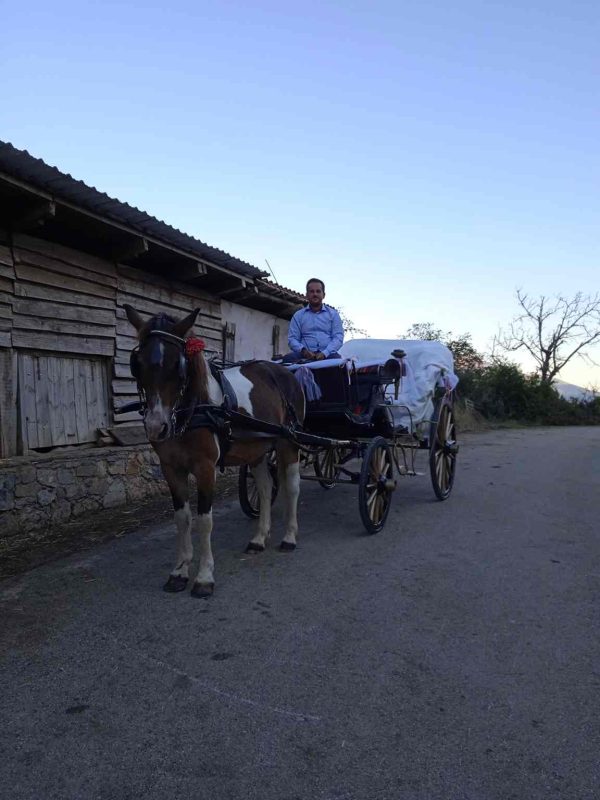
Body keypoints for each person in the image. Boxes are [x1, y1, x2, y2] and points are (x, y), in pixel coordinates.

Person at [282, 278, 344, 363]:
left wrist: (325, 353)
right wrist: (303, 351)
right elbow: (292, 339)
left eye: (318, 291)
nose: (315, 294)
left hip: (328, 355)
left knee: (338, 362)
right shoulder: (298, 316)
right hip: (303, 355)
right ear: (307, 295)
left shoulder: (333, 314)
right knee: (287, 359)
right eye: (312, 291)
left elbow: (338, 338)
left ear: (323, 295)